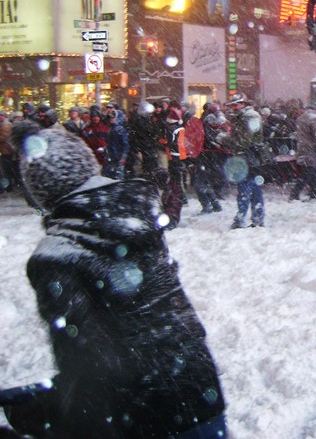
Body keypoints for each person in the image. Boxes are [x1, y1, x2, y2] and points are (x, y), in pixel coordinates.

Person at [3, 121, 226, 438]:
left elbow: (90, 370)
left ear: (40, 192)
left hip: (142, 417)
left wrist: (39, 415)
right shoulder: (133, 218)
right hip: (198, 394)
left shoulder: (57, 255)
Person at [222, 93, 268, 229]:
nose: (234, 108)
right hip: (252, 158)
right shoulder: (247, 116)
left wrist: (223, 139)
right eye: (233, 105)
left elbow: (243, 141)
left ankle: (241, 219)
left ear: (243, 104)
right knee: (255, 190)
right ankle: (257, 219)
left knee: (245, 190)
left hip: (247, 158)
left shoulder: (248, 117)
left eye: (236, 105)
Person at [289, 102, 316, 201]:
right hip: (311, 150)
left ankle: (315, 192)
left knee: (313, 170)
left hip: (302, 148)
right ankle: (295, 193)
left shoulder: (302, 117)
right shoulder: (314, 119)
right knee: (308, 172)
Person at [103, 108, 129, 180]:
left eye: (113, 117)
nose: (111, 119)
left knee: (118, 178)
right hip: (110, 157)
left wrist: (123, 157)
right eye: (110, 117)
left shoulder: (120, 130)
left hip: (118, 157)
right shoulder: (110, 129)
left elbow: (126, 145)